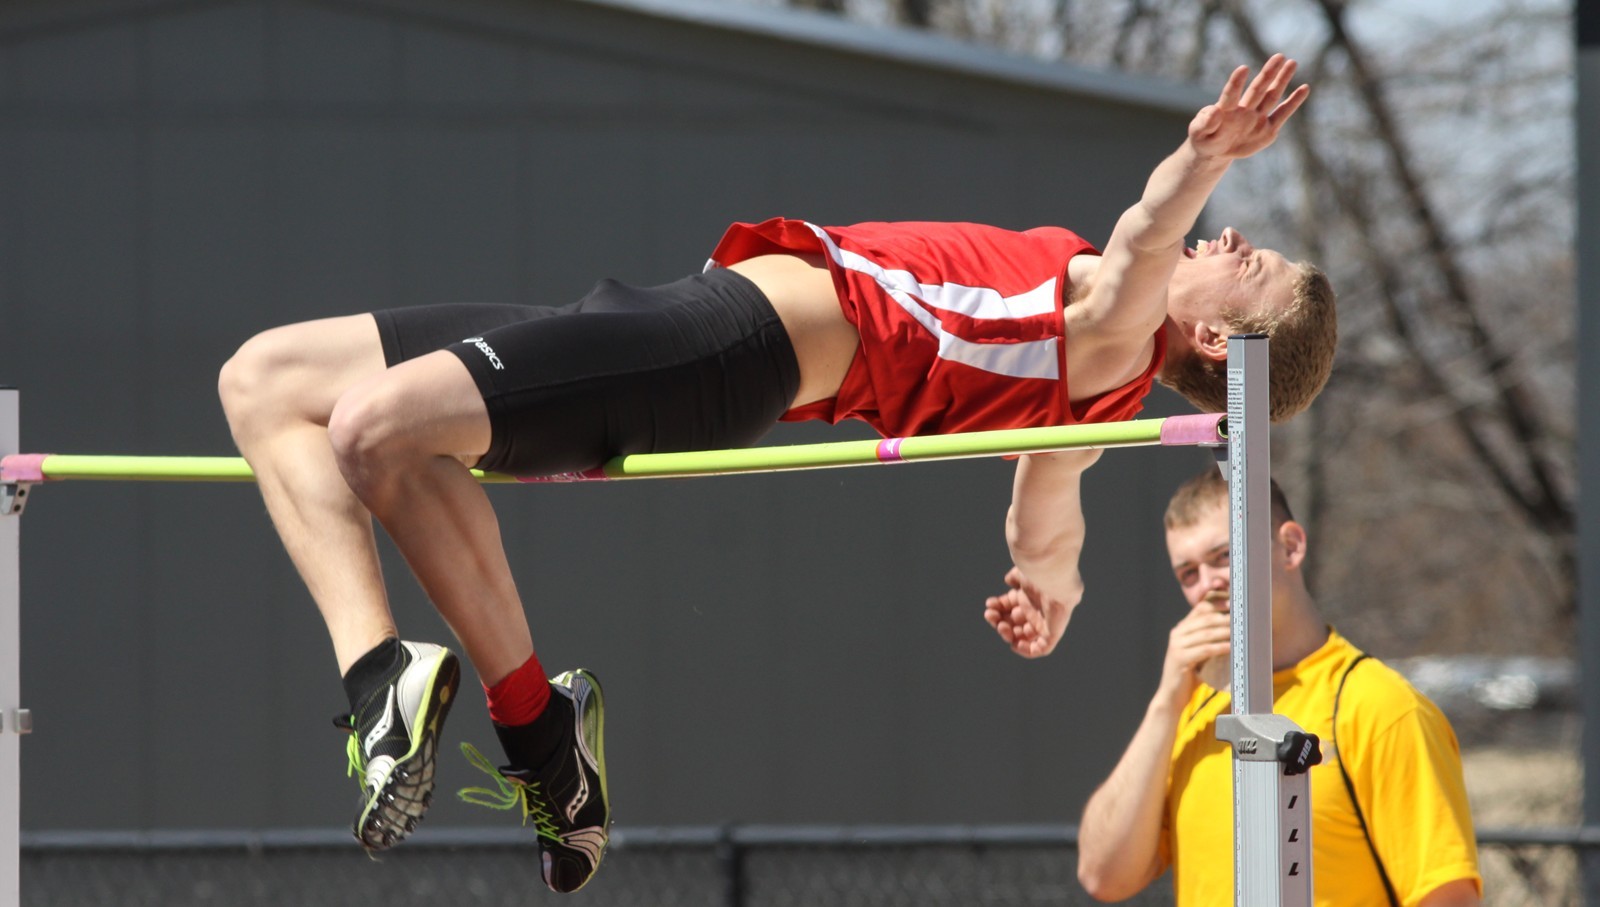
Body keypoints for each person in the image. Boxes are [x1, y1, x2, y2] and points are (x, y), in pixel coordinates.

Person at [216, 54, 1335, 894]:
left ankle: (515, 728)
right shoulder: (1081, 403)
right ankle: (428, 699)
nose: (1235, 242)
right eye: (1248, 237)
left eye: (1255, 272)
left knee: (375, 428)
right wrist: (1048, 596)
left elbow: (1145, 238)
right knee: (267, 380)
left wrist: (1202, 157)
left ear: (1217, 348)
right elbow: (1048, 529)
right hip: (676, 316)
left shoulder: (1107, 334)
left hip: (722, 353)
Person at [1072, 469, 1481, 906]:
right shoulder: (1194, 709)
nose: (1208, 584)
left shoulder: (1377, 705)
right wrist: (1165, 703)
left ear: (1290, 546)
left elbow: (1446, 896)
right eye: (1188, 573)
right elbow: (1103, 876)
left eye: (1224, 555)